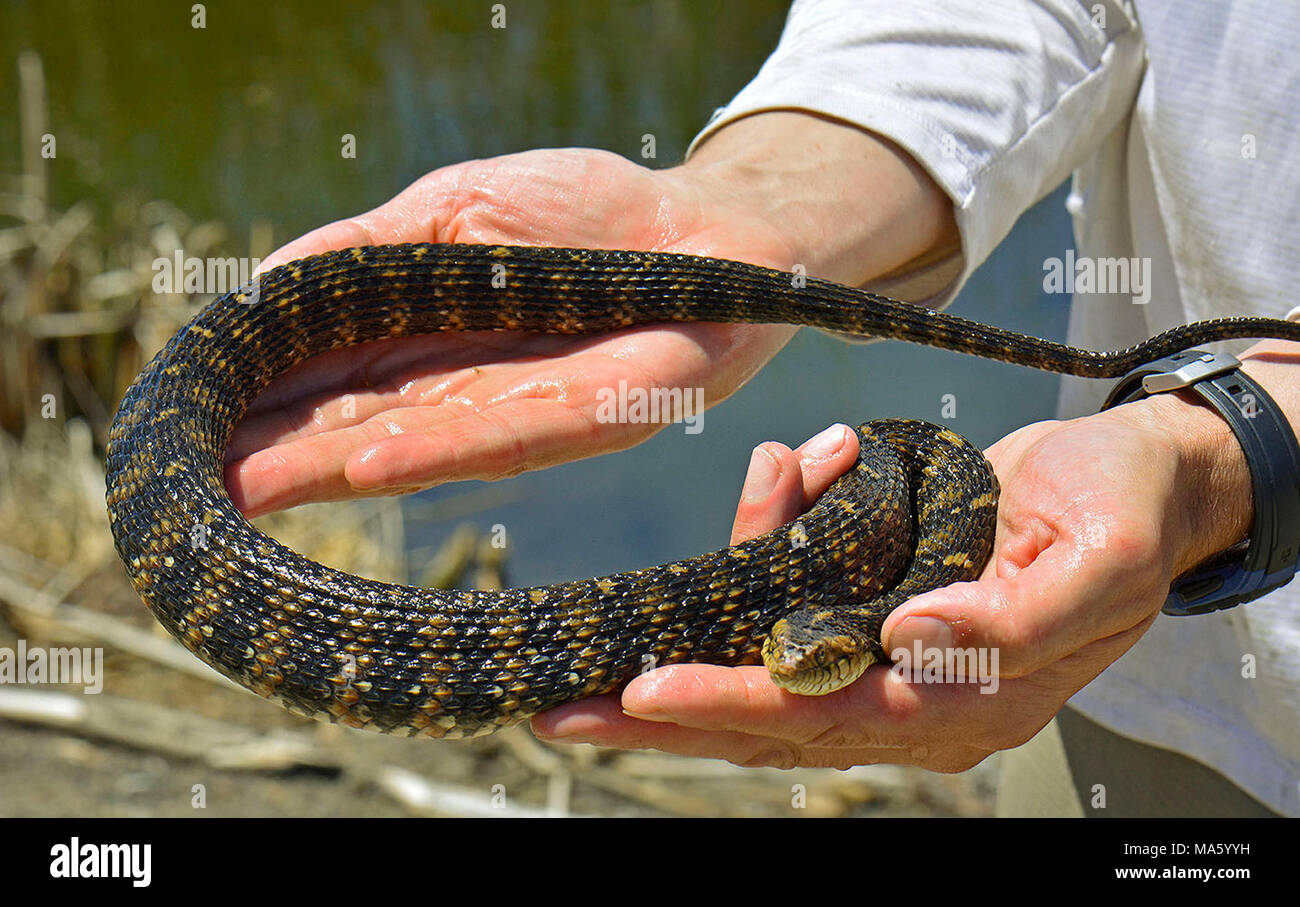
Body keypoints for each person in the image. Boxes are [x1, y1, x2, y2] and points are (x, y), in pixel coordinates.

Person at [236, 1, 1299, 816]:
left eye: (817, 655)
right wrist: (755, 208)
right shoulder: (916, 557)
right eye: (807, 650)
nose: (798, 667)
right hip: (1154, 695)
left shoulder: (911, 568)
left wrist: (1236, 452)